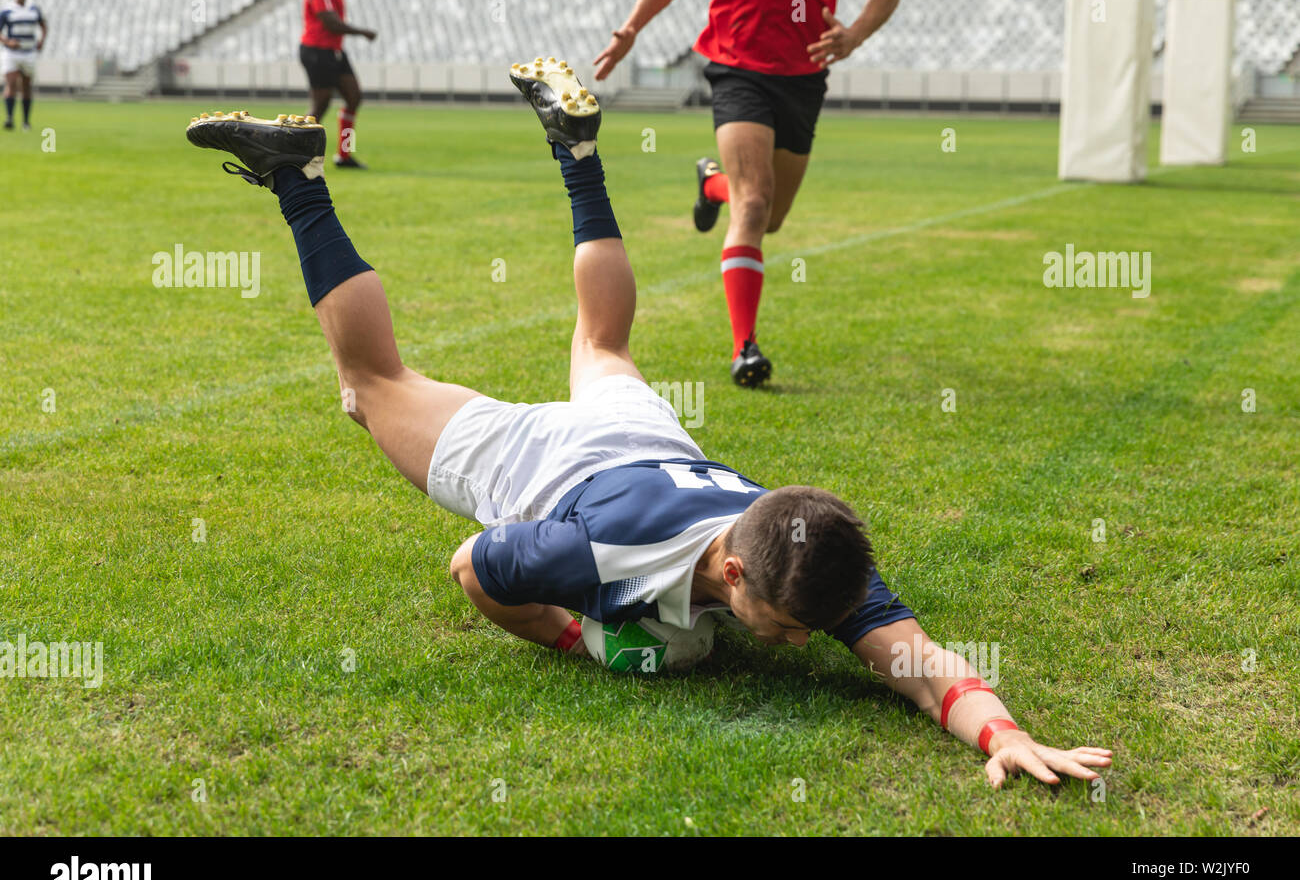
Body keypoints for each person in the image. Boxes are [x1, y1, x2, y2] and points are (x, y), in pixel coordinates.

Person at [182, 59, 1112, 788]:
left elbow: (919, 664)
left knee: (602, 337)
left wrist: (1007, 733)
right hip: (547, 467)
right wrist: (580, 638)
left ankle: (578, 151)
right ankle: (300, 177)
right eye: (784, 629)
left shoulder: (803, 550)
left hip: (658, 448)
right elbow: (475, 569)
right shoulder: (604, 563)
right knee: (372, 382)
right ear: (735, 571)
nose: (794, 644)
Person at [594, 0, 900, 387]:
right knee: (754, 204)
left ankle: (712, 185)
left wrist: (854, 36)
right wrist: (631, 28)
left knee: (769, 217)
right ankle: (745, 348)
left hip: (804, 79)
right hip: (737, 68)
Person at [299, 0, 376, 168]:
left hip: (333, 51)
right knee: (320, 105)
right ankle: (296, 151)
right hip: (317, 51)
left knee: (353, 97)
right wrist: (362, 32)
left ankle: (344, 155)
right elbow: (330, 23)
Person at [0, 0, 46, 132]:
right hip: (12, 53)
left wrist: (41, 41)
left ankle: (26, 122)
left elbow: (44, 25)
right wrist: (7, 41)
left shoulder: (34, 9)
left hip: (29, 52)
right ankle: (9, 118)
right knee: (11, 83)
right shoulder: (7, 10)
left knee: (26, 86)